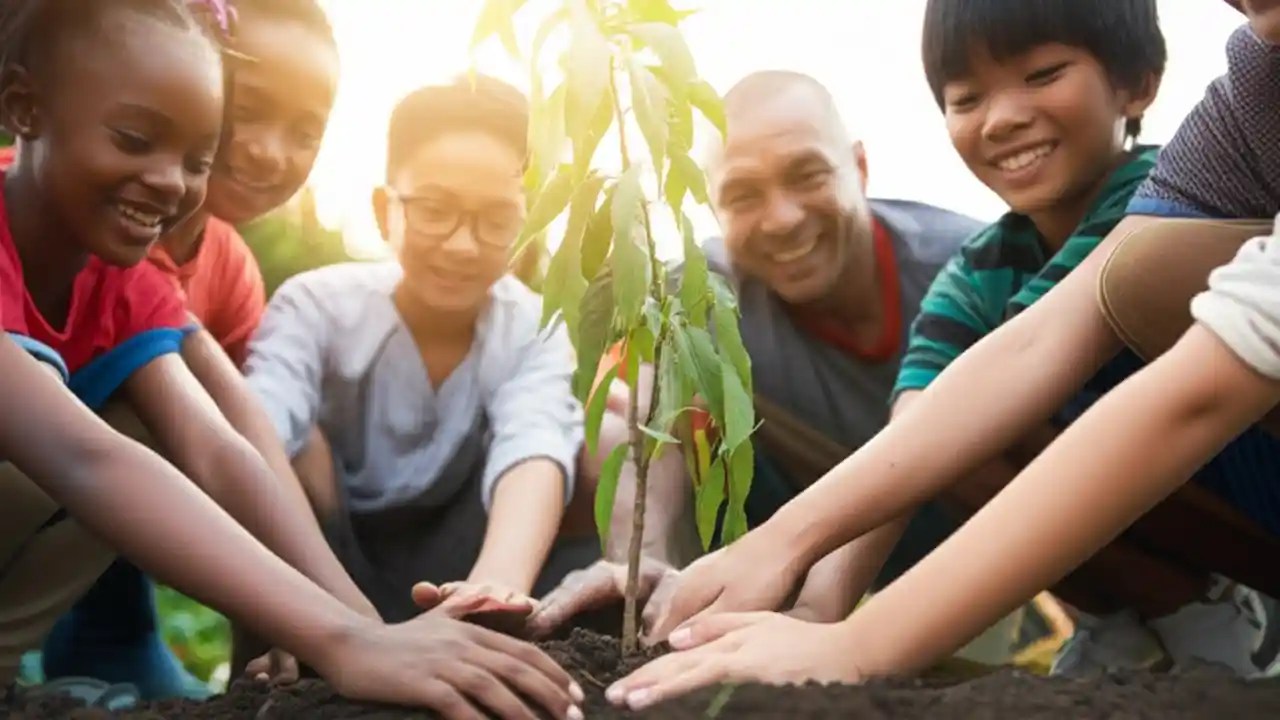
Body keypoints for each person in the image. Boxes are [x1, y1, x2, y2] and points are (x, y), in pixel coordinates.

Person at [604, 0, 1280, 707]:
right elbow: (924, 423)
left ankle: (1202, 612)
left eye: (1043, 74)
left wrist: (855, 646)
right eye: (967, 98)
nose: (1003, 116)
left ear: (1138, 84)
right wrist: (817, 600)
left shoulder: (1148, 197)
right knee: (969, 423)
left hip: (1235, 482)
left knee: (1075, 343)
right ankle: (1133, 623)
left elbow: (1075, 358)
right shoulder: (981, 264)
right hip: (1187, 470)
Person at [0, 2, 583, 718]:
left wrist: (367, 632)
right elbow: (86, 457)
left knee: (147, 419)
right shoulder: (313, 302)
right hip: (60, 461)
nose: (171, 184)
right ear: (23, 108)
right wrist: (342, 639)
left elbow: (222, 447)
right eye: (134, 138)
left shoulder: (125, 277)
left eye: (196, 161)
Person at [530, 69, 1009, 648]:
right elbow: (651, 418)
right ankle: (672, 624)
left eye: (807, 176)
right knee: (619, 422)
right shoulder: (702, 293)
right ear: (711, 204)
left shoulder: (974, 269)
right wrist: (641, 560)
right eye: (743, 195)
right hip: (785, 561)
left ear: (858, 168)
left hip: (966, 547)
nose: (782, 218)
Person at [34, 0, 361, 699]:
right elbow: (105, 452)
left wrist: (349, 624)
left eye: (306, 131)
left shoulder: (198, 268)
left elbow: (240, 435)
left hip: (78, 512)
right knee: (142, 418)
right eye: (253, 109)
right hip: (54, 489)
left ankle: (256, 665)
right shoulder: (99, 228)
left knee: (278, 446)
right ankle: (94, 645)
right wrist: (341, 629)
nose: (272, 151)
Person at [242, 74, 597, 631]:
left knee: (606, 439)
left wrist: (491, 591)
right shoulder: (316, 305)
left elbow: (534, 443)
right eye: (434, 209)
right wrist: (311, 617)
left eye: (497, 219)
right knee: (290, 444)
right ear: (386, 211)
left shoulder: (533, 324)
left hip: (464, 558)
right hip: (326, 566)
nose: (462, 243)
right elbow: (253, 431)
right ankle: (284, 642)